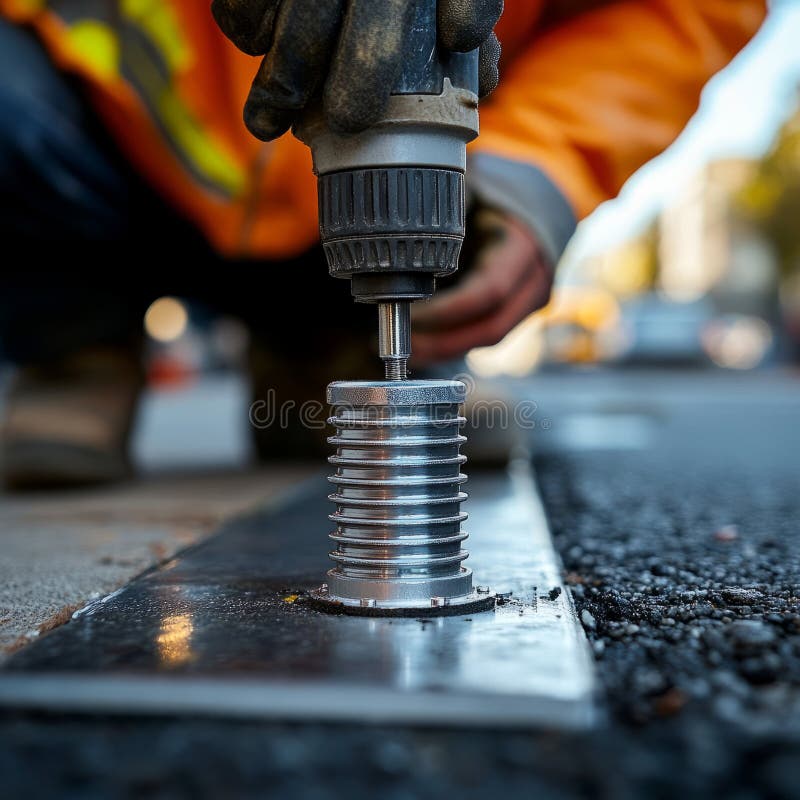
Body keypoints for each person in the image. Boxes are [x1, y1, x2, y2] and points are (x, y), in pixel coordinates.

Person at [0, 0, 765, 488]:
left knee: (434, 216)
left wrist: (539, 169)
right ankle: (73, 338)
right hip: (113, 162)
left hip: (420, 174)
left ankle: (327, 355)